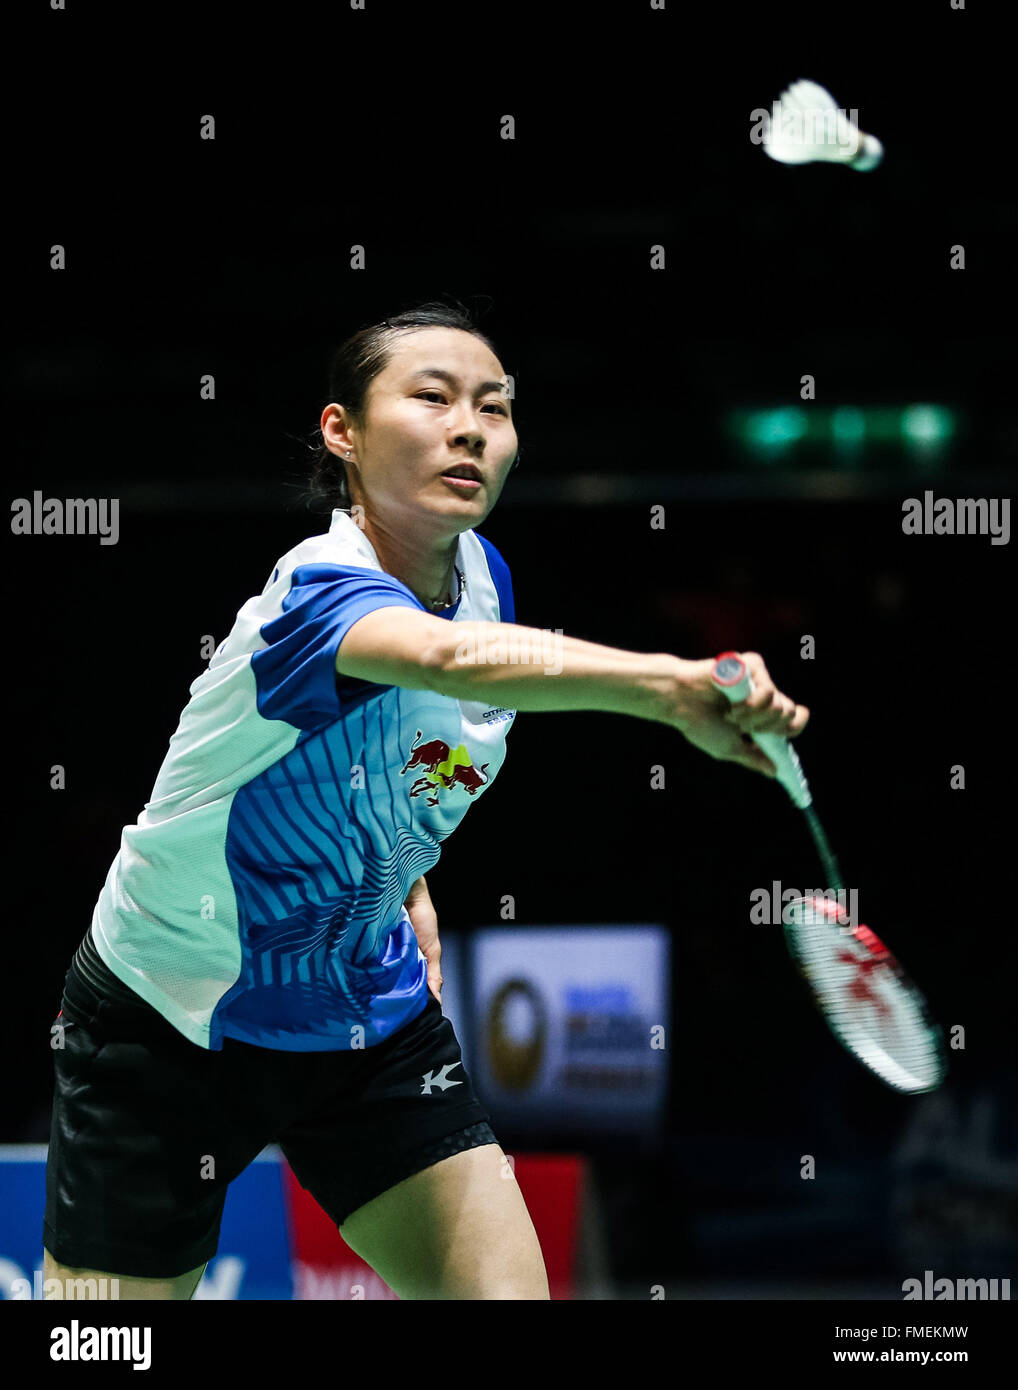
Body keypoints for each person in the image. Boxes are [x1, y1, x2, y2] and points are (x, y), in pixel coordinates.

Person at [42, 300, 808, 1301]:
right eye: (433, 397)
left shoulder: (482, 576)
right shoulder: (318, 592)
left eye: (493, 406)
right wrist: (668, 688)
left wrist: (405, 875)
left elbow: (410, 741)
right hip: (171, 1017)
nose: (470, 427)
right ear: (342, 432)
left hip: (366, 1013)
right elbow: (446, 661)